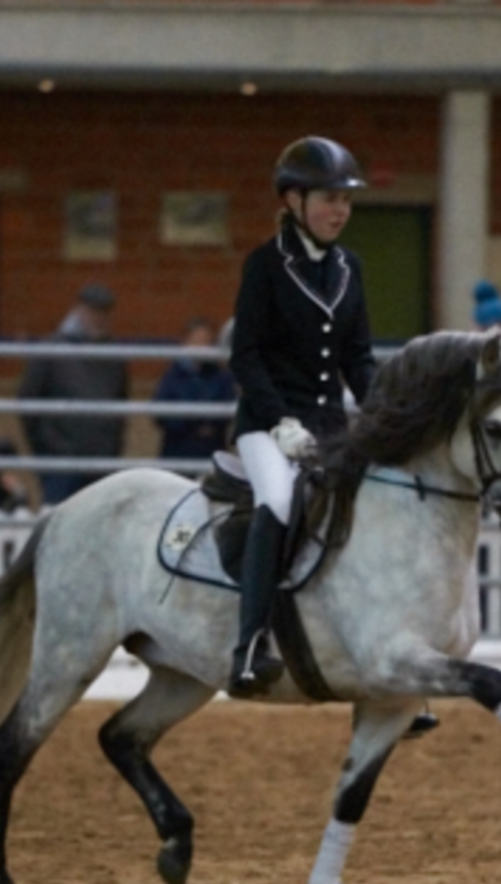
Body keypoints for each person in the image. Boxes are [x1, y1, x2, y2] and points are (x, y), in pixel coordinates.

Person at [225, 135, 379, 697]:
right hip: (267, 426)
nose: (341, 211)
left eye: (346, 200)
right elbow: (245, 355)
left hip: (330, 427)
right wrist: (279, 421)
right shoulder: (265, 266)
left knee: (377, 505)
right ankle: (249, 645)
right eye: (329, 199)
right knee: (279, 500)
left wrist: (385, 414)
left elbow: (357, 358)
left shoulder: (349, 268)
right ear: (294, 200)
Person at [16, 283, 128, 505]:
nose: (98, 318)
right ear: (79, 310)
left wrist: (112, 448)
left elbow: (120, 402)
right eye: (93, 311)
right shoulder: (51, 349)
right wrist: (45, 448)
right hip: (60, 460)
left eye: (103, 312)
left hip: (101, 459)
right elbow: (28, 400)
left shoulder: (114, 355)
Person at [152, 317, 237, 461]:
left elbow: (228, 408)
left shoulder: (221, 376)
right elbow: (160, 413)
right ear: (185, 342)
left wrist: (211, 423)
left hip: (211, 449)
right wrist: (193, 424)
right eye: (197, 341)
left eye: (206, 341)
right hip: (178, 450)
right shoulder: (172, 376)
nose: (202, 347)